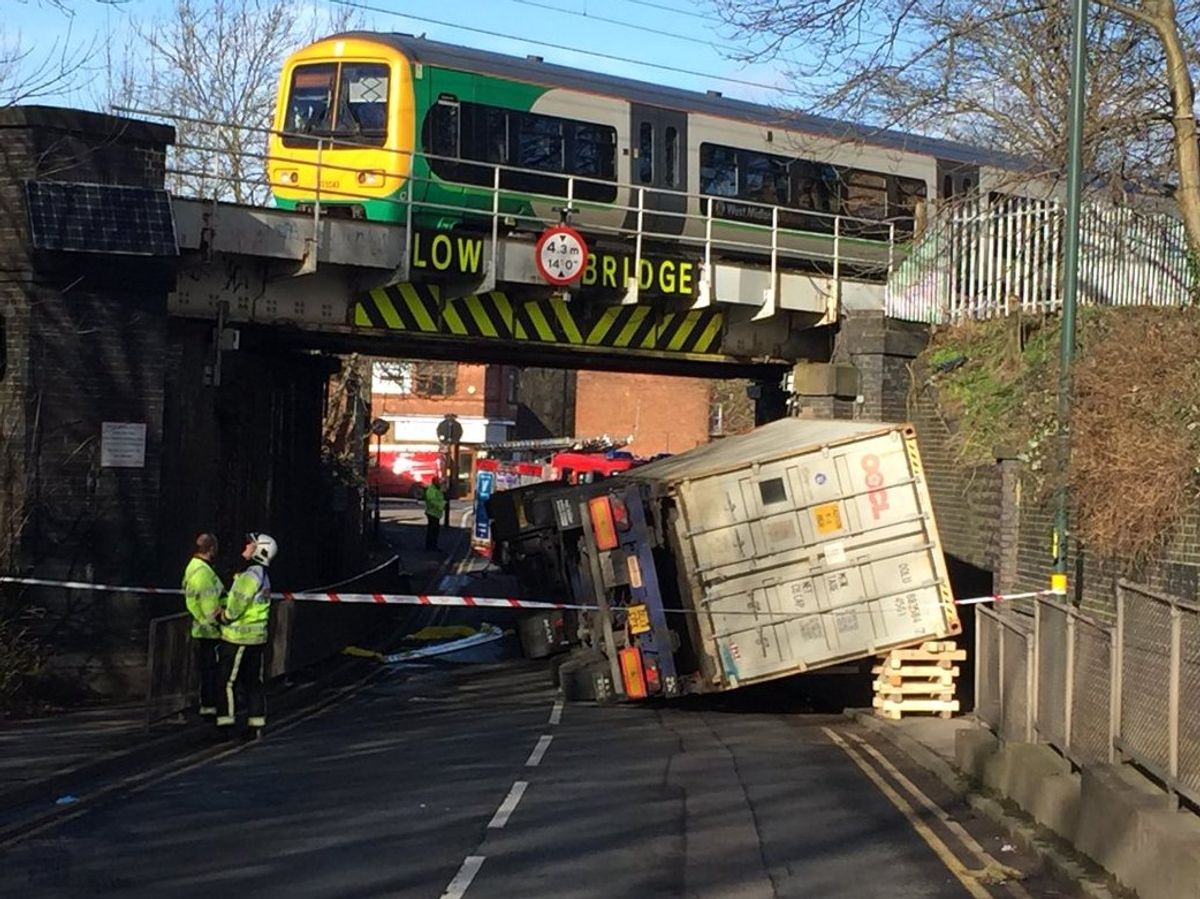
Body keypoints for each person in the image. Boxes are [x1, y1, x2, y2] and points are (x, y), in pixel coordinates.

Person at [216, 532, 277, 737]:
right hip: (257, 638)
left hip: (238, 638)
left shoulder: (250, 576)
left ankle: (225, 725)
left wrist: (224, 617)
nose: (246, 547)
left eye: (251, 545)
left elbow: (237, 603)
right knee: (252, 682)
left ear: (260, 550)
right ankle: (256, 724)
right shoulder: (262, 575)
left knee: (226, 681)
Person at [182, 533, 224, 718]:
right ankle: (210, 707)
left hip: (202, 628)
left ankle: (209, 706)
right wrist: (221, 622)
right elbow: (209, 606)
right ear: (211, 549)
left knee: (208, 671)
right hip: (209, 631)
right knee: (211, 672)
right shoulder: (203, 572)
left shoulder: (194, 567)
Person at [424, 478, 446, 551]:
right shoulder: (432, 490)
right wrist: (441, 505)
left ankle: (433, 546)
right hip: (432, 513)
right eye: (439, 482)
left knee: (435, 531)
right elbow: (432, 501)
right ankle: (431, 546)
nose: (440, 484)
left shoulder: (436, 489)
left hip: (435, 513)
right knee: (432, 531)